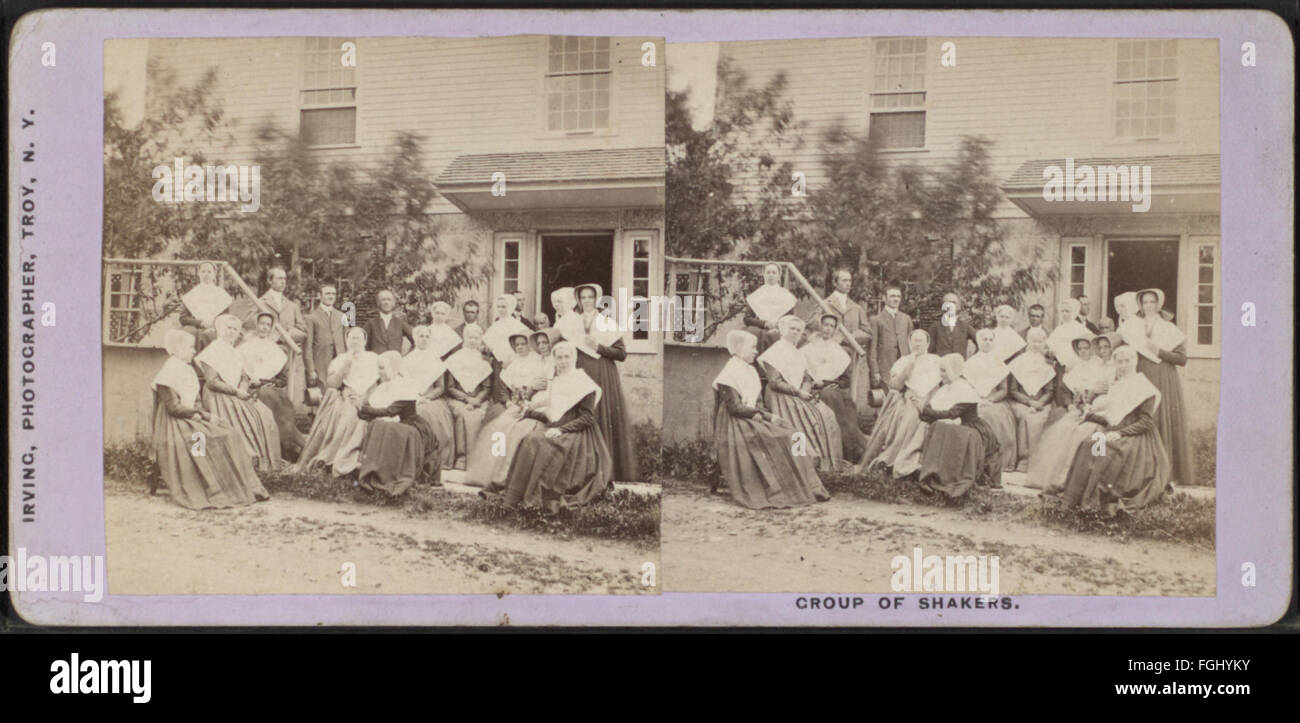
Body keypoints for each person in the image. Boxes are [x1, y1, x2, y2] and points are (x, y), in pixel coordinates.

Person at [150, 330, 269, 509]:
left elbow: (195, 401)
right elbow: (173, 408)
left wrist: (207, 415)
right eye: (190, 348)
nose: (193, 352)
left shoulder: (185, 368)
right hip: (175, 423)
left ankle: (232, 486)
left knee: (228, 432)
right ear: (178, 349)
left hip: (190, 416)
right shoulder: (168, 372)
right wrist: (203, 416)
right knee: (201, 437)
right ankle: (204, 486)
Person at [711, 330, 830, 508]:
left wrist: (768, 416)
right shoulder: (729, 373)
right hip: (736, 422)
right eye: (752, 348)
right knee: (777, 438)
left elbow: (757, 402)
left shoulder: (750, 370)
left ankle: (806, 485)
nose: (756, 352)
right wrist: (764, 416)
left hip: (752, 415)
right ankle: (779, 488)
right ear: (740, 348)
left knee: (793, 434)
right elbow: (735, 408)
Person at [492, 341, 613, 512]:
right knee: (529, 439)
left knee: (541, 443)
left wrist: (561, 429)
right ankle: (517, 495)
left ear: (574, 358)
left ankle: (535, 495)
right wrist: (528, 412)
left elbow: (587, 418)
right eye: (559, 357)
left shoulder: (584, 382)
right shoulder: (557, 380)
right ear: (554, 359)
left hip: (577, 432)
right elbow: (552, 413)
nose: (563, 361)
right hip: (557, 425)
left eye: (567, 357)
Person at [1051, 346, 1171, 514]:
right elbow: (1112, 417)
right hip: (1112, 430)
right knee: (1089, 445)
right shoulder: (1117, 384)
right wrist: (1090, 416)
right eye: (1119, 362)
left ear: (1134, 362)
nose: (1123, 365)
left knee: (1106, 452)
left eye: (1127, 361)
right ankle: (1077, 500)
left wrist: (1120, 433)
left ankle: (1094, 502)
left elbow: (1146, 422)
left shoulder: (1144, 387)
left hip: (1134, 436)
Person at [557, 283, 640, 482]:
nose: (586, 301)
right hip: (580, 371)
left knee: (600, 414)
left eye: (590, 297)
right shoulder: (570, 321)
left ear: (597, 300)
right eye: (583, 297)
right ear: (578, 299)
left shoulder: (606, 321)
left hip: (602, 372)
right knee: (578, 414)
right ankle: (580, 471)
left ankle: (605, 471)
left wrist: (599, 346)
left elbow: (621, 354)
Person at [1120, 288, 1195, 487]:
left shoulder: (1168, 328)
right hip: (1141, 373)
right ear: (1140, 305)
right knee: (1140, 417)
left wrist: (1160, 351)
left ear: (1158, 304)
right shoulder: (1133, 325)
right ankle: (1142, 472)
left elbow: (1182, 359)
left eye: (1152, 302)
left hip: (1163, 376)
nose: (1149, 306)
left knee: (1160, 418)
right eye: (1145, 302)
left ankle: (1165, 474)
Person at [758, 315, 845, 474]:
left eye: (798, 330)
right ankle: (807, 461)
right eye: (792, 328)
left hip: (797, 393)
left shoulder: (796, 352)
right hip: (780, 396)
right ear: (784, 329)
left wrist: (805, 389)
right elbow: (775, 382)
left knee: (827, 414)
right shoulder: (775, 351)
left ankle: (827, 463)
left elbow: (805, 376)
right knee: (807, 417)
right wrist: (798, 392)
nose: (795, 332)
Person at [195, 314, 282, 471]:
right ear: (221, 329)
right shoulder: (212, 350)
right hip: (218, 396)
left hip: (235, 393)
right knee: (248, 415)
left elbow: (243, 376)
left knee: (265, 413)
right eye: (229, 328)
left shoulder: (233, 350)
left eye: (235, 329)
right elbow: (212, 382)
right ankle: (246, 461)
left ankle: (267, 462)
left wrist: (242, 388)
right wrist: (236, 392)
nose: (232, 332)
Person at [468, 332, 554, 489]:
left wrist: (527, 396)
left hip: (535, 403)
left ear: (529, 344)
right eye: (517, 345)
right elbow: (504, 386)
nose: (520, 347)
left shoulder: (539, 361)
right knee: (500, 427)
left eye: (523, 344)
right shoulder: (512, 363)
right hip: (519, 402)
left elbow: (541, 387)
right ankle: (491, 472)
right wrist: (509, 401)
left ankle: (506, 473)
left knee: (514, 429)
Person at [1025, 334, 1109, 492]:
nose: (1083, 352)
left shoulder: (1102, 366)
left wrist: (1090, 398)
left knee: (1076, 434)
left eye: (1087, 348)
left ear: (1093, 348)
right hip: (1078, 408)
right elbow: (1065, 391)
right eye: (1080, 349)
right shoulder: (1076, 367)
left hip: (1096, 409)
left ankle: (1071, 479)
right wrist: (1070, 404)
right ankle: (1050, 478)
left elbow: (1103, 392)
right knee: (1060, 431)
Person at [292, 326, 378, 477]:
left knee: (359, 416)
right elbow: (332, 383)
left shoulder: (373, 358)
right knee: (345, 415)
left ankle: (351, 460)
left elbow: (377, 382)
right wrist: (345, 367)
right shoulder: (341, 359)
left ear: (364, 340)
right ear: (347, 341)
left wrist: (363, 398)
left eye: (358, 338)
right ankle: (332, 459)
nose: (355, 341)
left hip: (369, 397)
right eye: (352, 338)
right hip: (347, 396)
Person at [917, 353, 1001, 498]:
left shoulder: (964, 389)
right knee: (940, 429)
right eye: (940, 370)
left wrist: (926, 410)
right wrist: (926, 411)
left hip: (971, 429)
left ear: (953, 370)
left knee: (946, 431)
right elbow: (931, 413)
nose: (940, 374)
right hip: (955, 426)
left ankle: (947, 477)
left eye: (944, 370)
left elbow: (951, 414)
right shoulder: (945, 389)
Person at [356, 351, 440, 496]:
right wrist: (363, 409)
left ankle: (388, 474)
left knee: (389, 430)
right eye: (378, 368)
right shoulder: (383, 386)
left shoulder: (404, 386)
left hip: (410, 424)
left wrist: (363, 408)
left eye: (382, 368)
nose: (379, 372)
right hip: (394, 423)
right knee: (379, 427)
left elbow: (390, 411)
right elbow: (371, 410)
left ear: (393, 368)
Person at [860, 328, 940, 476]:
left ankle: (919, 460)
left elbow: (938, 384)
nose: (917, 344)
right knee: (910, 418)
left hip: (931, 397)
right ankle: (898, 459)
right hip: (909, 397)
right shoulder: (904, 360)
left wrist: (928, 399)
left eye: (921, 341)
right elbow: (895, 386)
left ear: (927, 343)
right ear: (909, 343)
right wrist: (906, 371)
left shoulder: (935, 360)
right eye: (914, 341)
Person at [238, 310, 306, 461]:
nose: (264, 327)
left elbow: (282, 379)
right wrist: (249, 380)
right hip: (249, 388)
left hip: (269, 388)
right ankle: (298, 445)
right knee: (267, 398)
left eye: (268, 325)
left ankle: (291, 445)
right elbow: (238, 371)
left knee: (280, 407)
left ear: (272, 328)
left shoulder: (277, 351)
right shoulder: (245, 346)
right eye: (262, 324)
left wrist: (271, 382)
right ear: (257, 325)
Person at [802, 312, 867, 464]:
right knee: (832, 398)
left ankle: (853, 448)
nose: (828, 329)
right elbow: (803, 374)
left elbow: (845, 381)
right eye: (826, 325)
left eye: (832, 326)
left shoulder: (840, 351)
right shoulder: (807, 348)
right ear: (820, 326)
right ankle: (847, 450)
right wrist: (814, 383)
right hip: (814, 389)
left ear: (835, 329)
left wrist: (830, 383)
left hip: (833, 388)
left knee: (847, 403)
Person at [245, 265, 308, 410]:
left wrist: (282, 334)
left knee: (288, 393)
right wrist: (268, 333)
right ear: (269, 280)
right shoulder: (259, 301)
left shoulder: (292, 305)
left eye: (285, 279)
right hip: (264, 353)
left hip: (287, 354)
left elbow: (302, 331)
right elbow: (248, 322)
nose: (283, 282)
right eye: (279, 278)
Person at [402, 325, 457, 471]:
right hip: (411, 396)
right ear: (414, 338)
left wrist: (427, 396)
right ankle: (413, 459)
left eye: (427, 336)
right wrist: (414, 396)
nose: (424, 339)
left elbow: (440, 387)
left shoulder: (435, 360)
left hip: (431, 397)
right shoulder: (406, 360)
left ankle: (437, 460)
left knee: (433, 414)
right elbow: (403, 383)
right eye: (421, 336)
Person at [964, 328, 1018, 472]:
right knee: (975, 415)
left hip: (995, 401)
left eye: (990, 340)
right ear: (978, 341)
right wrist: (976, 398)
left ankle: (997, 461)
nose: (987, 342)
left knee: (993, 416)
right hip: (974, 399)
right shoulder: (970, 362)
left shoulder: (998, 363)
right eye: (984, 339)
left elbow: (1003, 390)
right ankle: (974, 460)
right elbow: (966, 386)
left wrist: (989, 399)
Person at [443, 324, 494, 470]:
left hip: (480, 399)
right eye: (470, 337)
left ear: (480, 340)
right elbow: (450, 387)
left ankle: (477, 459)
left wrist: (477, 400)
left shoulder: (484, 360)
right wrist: (467, 399)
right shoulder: (455, 358)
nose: (473, 341)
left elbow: (487, 387)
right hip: (458, 399)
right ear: (464, 338)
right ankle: (462, 457)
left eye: (476, 338)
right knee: (464, 414)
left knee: (480, 415)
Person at [1007, 327, 1057, 472]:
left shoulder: (1047, 364)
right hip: (1021, 401)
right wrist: (1030, 402)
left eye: (1040, 341)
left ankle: (1037, 462)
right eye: (1033, 341)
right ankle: (1024, 460)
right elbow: (1013, 390)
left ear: (1044, 343)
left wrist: (1039, 403)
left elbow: (1050, 390)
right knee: (1025, 416)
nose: (1036, 344)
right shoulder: (1018, 362)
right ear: (1028, 341)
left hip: (1043, 402)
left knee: (1040, 418)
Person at [743, 263, 797, 353]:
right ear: (764, 275)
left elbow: (790, 318)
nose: (771, 275)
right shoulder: (756, 295)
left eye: (774, 272)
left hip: (779, 329)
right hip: (759, 329)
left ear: (779, 275)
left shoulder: (786, 296)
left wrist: (777, 324)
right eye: (768, 272)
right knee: (755, 336)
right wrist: (765, 324)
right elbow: (747, 319)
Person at [178, 261, 232, 351]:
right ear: (199, 274)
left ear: (214, 274)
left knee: (211, 336)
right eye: (203, 272)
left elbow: (226, 317)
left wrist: (213, 324)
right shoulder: (191, 295)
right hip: (195, 326)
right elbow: (183, 318)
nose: (206, 275)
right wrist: (200, 323)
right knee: (189, 334)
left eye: (209, 272)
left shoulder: (221, 294)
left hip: (215, 327)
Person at [868, 285, 913, 390]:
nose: (896, 299)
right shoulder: (876, 320)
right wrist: (875, 371)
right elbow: (872, 349)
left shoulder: (906, 319)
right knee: (888, 400)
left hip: (904, 367)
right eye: (892, 296)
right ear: (884, 298)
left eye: (898, 296)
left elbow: (911, 345)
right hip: (886, 368)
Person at [304, 283, 348, 391]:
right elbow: (307, 347)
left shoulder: (342, 316)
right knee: (321, 396)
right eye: (328, 293)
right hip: (321, 364)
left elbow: (347, 342)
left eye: (333, 294)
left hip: (339, 363)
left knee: (339, 396)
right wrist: (311, 370)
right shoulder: (311, 318)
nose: (331, 296)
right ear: (320, 295)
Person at [482, 294, 532, 367]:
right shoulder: (495, 325)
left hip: (514, 362)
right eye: (498, 307)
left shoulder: (518, 325)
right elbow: (488, 343)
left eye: (503, 307)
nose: (500, 310)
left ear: (510, 307)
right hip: (497, 363)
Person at [926, 292, 978, 358]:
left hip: (959, 366)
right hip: (941, 365)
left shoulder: (965, 326)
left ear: (959, 306)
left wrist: (973, 360)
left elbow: (980, 342)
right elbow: (928, 350)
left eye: (953, 302)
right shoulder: (935, 327)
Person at [364, 289, 415, 355]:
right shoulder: (371, 323)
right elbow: (361, 343)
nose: (386, 302)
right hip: (376, 363)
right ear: (378, 303)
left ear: (393, 303)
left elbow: (416, 340)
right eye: (383, 300)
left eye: (389, 299)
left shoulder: (400, 323)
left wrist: (406, 358)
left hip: (395, 363)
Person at [1046, 298, 1091, 369]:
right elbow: (1051, 345)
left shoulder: (1080, 328)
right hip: (1060, 364)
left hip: (1076, 363)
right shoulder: (1058, 329)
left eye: (1067, 311)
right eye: (1062, 311)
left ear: (1073, 312)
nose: (1064, 314)